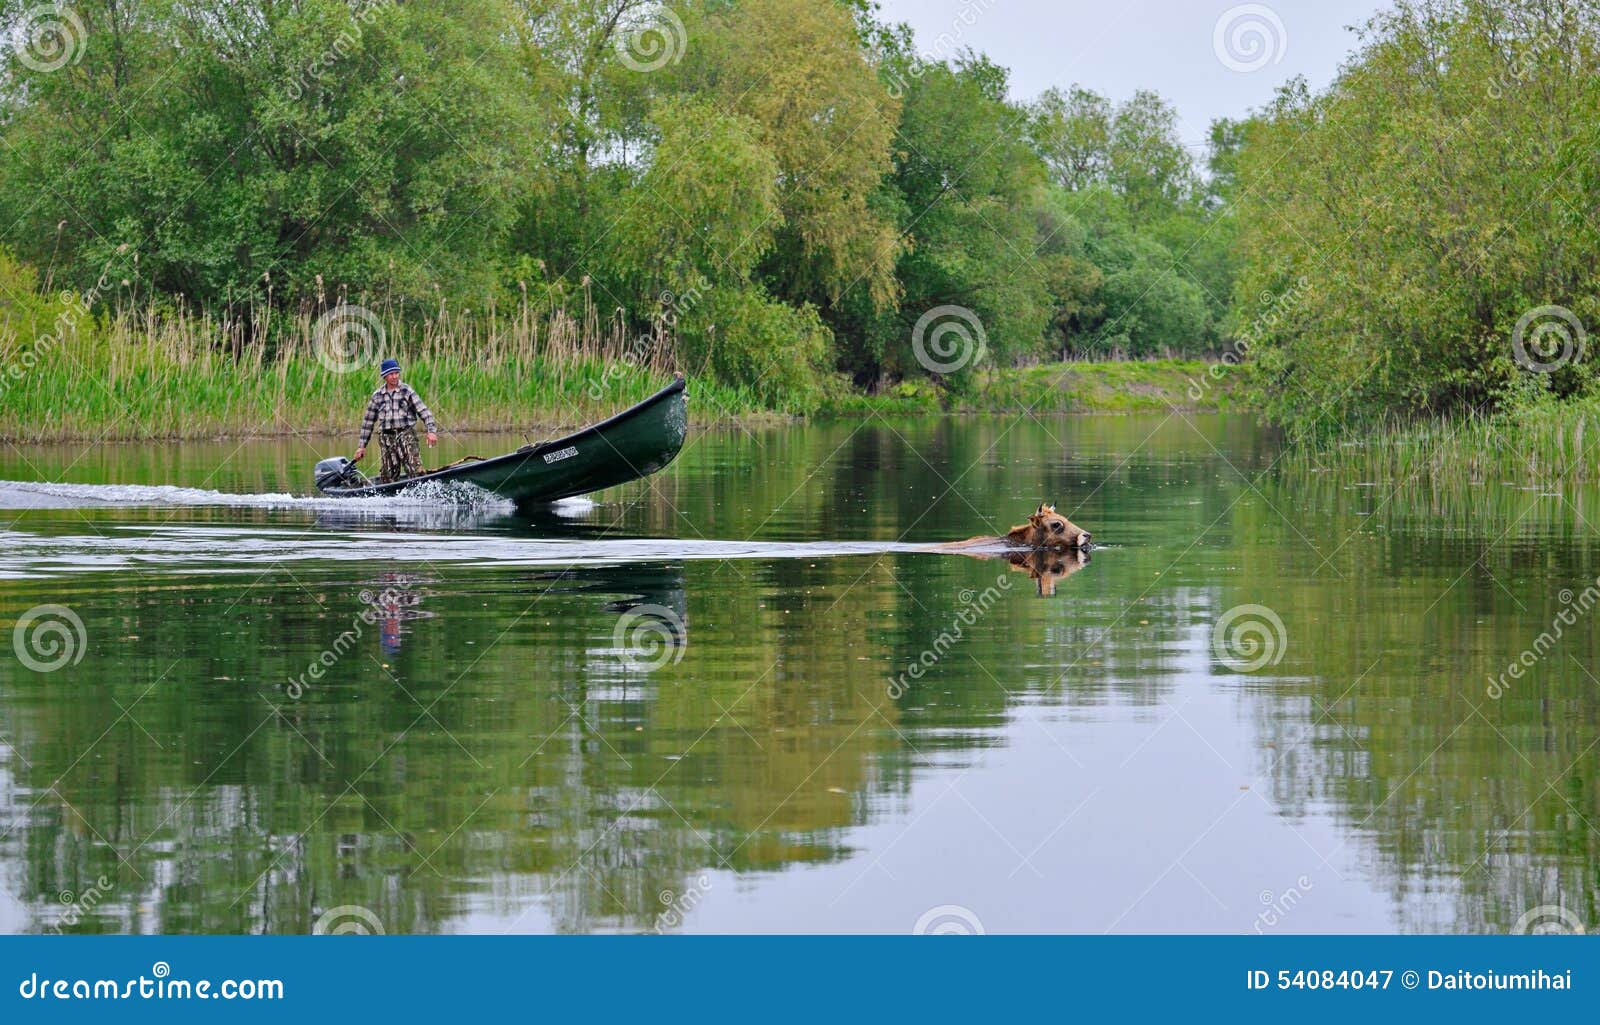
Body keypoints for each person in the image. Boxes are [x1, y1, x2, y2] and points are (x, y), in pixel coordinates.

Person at [354, 358, 438, 483]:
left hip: (406, 436)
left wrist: (431, 431)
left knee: (415, 470)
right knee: (388, 476)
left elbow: (424, 412)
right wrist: (361, 447)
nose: (394, 376)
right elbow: (368, 423)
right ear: (384, 376)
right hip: (386, 439)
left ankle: (420, 494)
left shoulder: (407, 391)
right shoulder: (377, 396)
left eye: (396, 373)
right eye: (391, 374)